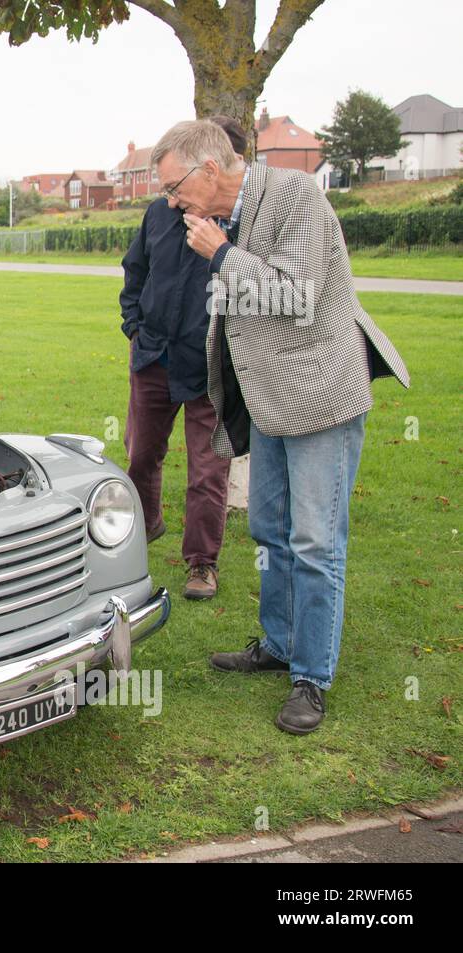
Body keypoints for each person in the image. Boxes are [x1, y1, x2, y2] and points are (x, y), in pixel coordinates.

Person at [150, 119, 409, 734]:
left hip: (321, 400)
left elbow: (300, 296)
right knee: (269, 530)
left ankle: (311, 677)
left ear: (209, 170)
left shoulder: (295, 196)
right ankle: (279, 643)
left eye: (173, 186)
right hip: (269, 404)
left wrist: (224, 255)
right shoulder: (227, 216)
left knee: (316, 541)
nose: (171, 201)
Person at [119, 116, 247, 600]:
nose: (174, 198)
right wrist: (135, 327)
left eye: (177, 187)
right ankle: (144, 526)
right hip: (153, 356)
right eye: (168, 189)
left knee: (208, 470)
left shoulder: (238, 223)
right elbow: (135, 273)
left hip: (209, 366)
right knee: (142, 455)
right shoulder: (158, 215)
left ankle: (201, 563)